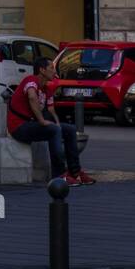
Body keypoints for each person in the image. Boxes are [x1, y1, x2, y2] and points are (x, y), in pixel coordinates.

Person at [7, 55, 96, 186]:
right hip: (19, 126)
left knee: (69, 129)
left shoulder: (46, 89)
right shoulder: (30, 81)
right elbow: (32, 97)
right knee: (53, 130)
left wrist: (57, 122)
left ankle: (75, 173)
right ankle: (59, 175)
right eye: (51, 68)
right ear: (42, 70)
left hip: (32, 124)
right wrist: (42, 121)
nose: (55, 71)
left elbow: (51, 109)